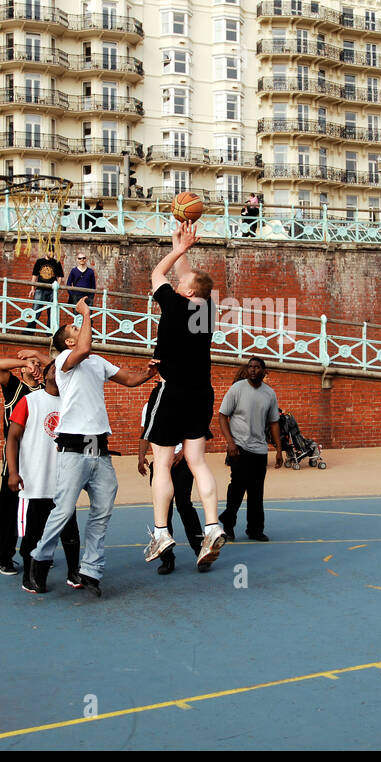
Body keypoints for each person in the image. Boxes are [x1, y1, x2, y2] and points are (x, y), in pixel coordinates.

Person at [22, 299, 158, 597]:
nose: (81, 327)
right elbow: (83, 349)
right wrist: (85, 313)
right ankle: (39, 561)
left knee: (102, 511)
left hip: (100, 449)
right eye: (75, 328)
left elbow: (130, 380)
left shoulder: (98, 362)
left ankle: (91, 570)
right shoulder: (64, 361)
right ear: (69, 341)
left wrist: (148, 373)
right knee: (63, 510)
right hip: (72, 448)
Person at [141, 221, 227, 568]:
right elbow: (189, 275)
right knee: (197, 460)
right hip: (201, 393)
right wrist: (183, 247)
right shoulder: (206, 311)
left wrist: (176, 250)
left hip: (173, 390)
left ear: (188, 292)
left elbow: (155, 272)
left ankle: (161, 532)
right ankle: (212, 525)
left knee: (162, 462)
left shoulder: (174, 304)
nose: (178, 283)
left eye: (182, 284)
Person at [6, 356, 82, 590]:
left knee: (70, 533)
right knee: (33, 534)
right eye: (53, 369)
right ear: (47, 374)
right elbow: (12, 438)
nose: (56, 372)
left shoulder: (73, 403)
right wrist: (13, 472)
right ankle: (29, 576)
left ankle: (73, 573)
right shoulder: (30, 401)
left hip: (64, 482)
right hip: (36, 481)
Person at [137, 380, 206, 574]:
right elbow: (145, 433)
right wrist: (141, 456)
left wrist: (183, 452)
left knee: (184, 505)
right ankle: (167, 558)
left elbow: (195, 434)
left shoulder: (186, 400)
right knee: (163, 510)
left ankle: (201, 551)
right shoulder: (150, 405)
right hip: (160, 464)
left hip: (181, 462)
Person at [217, 357, 282, 542]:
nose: (253, 370)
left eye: (257, 367)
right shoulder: (237, 389)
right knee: (237, 489)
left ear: (264, 371)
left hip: (259, 450)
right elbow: (222, 416)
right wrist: (230, 442)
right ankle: (228, 525)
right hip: (239, 448)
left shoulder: (269, 394)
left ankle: (254, 530)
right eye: (250, 367)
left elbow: (274, 423)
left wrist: (278, 450)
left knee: (256, 492)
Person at [0, 349, 43, 575]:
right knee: (10, 512)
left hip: (39, 462)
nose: (37, 367)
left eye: (39, 365)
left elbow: (61, 372)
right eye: (31, 365)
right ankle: (5, 556)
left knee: (38, 511)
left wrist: (39, 357)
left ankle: (35, 552)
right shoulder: (15, 388)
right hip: (15, 463)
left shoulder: (46, 391)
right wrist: (24, 362)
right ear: (22, 369)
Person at [30, 249, 64, 332]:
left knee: (51, 311)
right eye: (50, 251)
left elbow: (60, 276)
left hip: (52, 291)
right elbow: (34, 276)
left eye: (53, 251)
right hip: (40, 289)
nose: (52, 253)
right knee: (36, 309)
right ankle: (30, 329)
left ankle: (49, 331)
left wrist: (57, 287)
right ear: (46, 251)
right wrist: (32, 288)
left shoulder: (57, 262)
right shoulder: (39, 261)